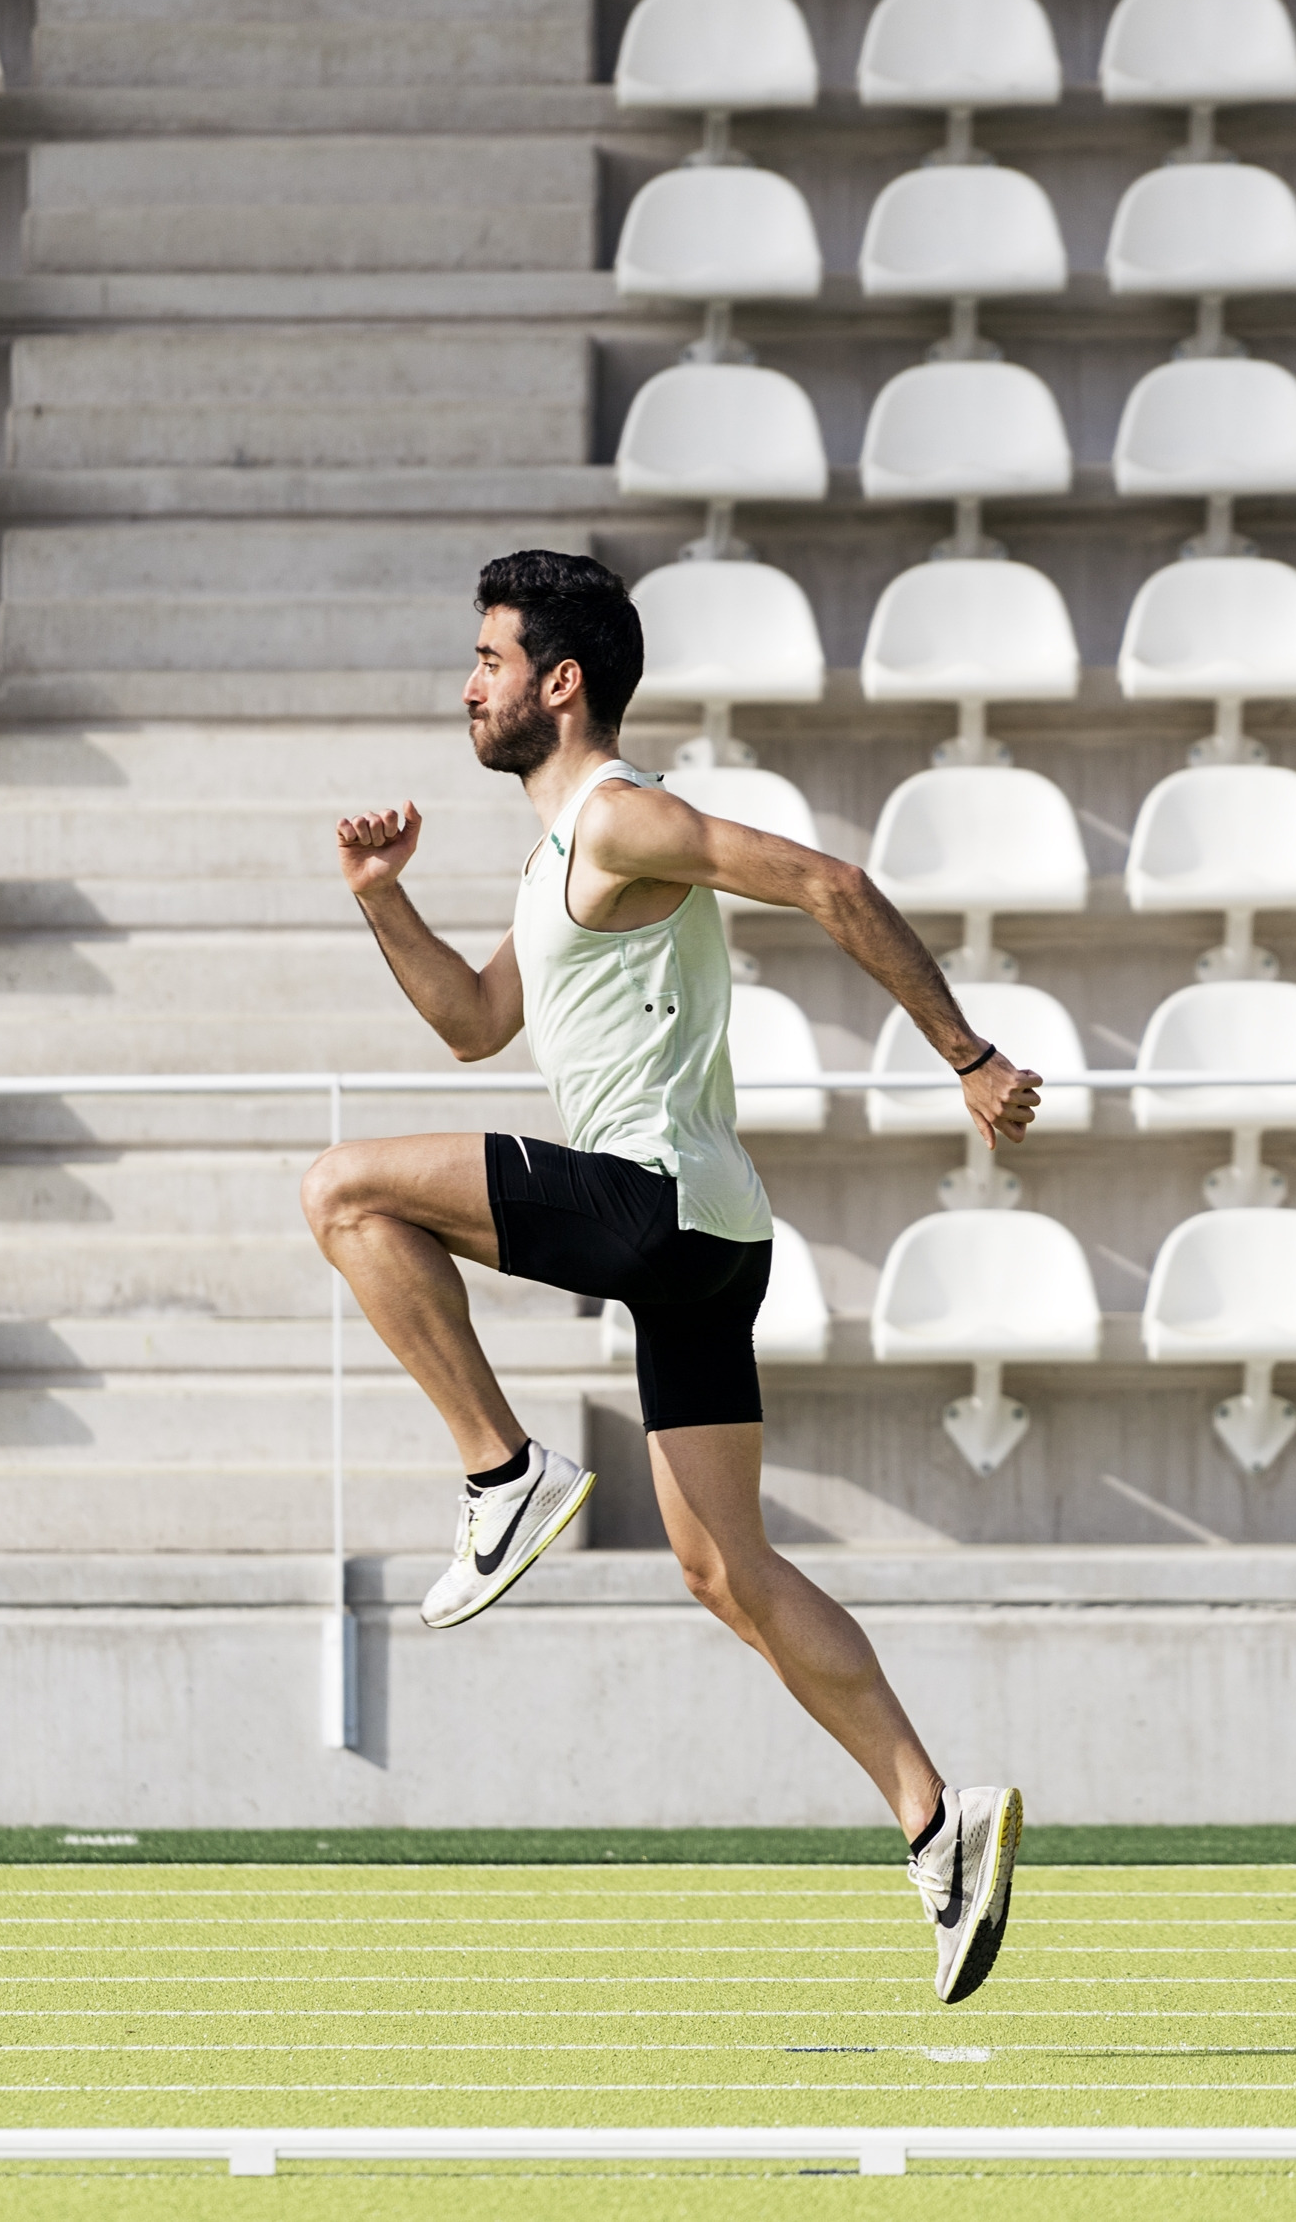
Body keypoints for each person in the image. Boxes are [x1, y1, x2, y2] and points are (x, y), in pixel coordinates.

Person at [303, 548, 1032, 2004]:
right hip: (711, 1240)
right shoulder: (560, 850)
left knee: (341, 1188)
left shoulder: (622, 815)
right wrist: (382, 895)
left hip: (653, 1203)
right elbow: (474, 1021)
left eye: (493, 659)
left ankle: (500, 1474)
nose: (471, 684)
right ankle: (939, 1827)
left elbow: (827, 881)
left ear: (560, 685)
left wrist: (972, 1057)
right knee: (723, 1567)